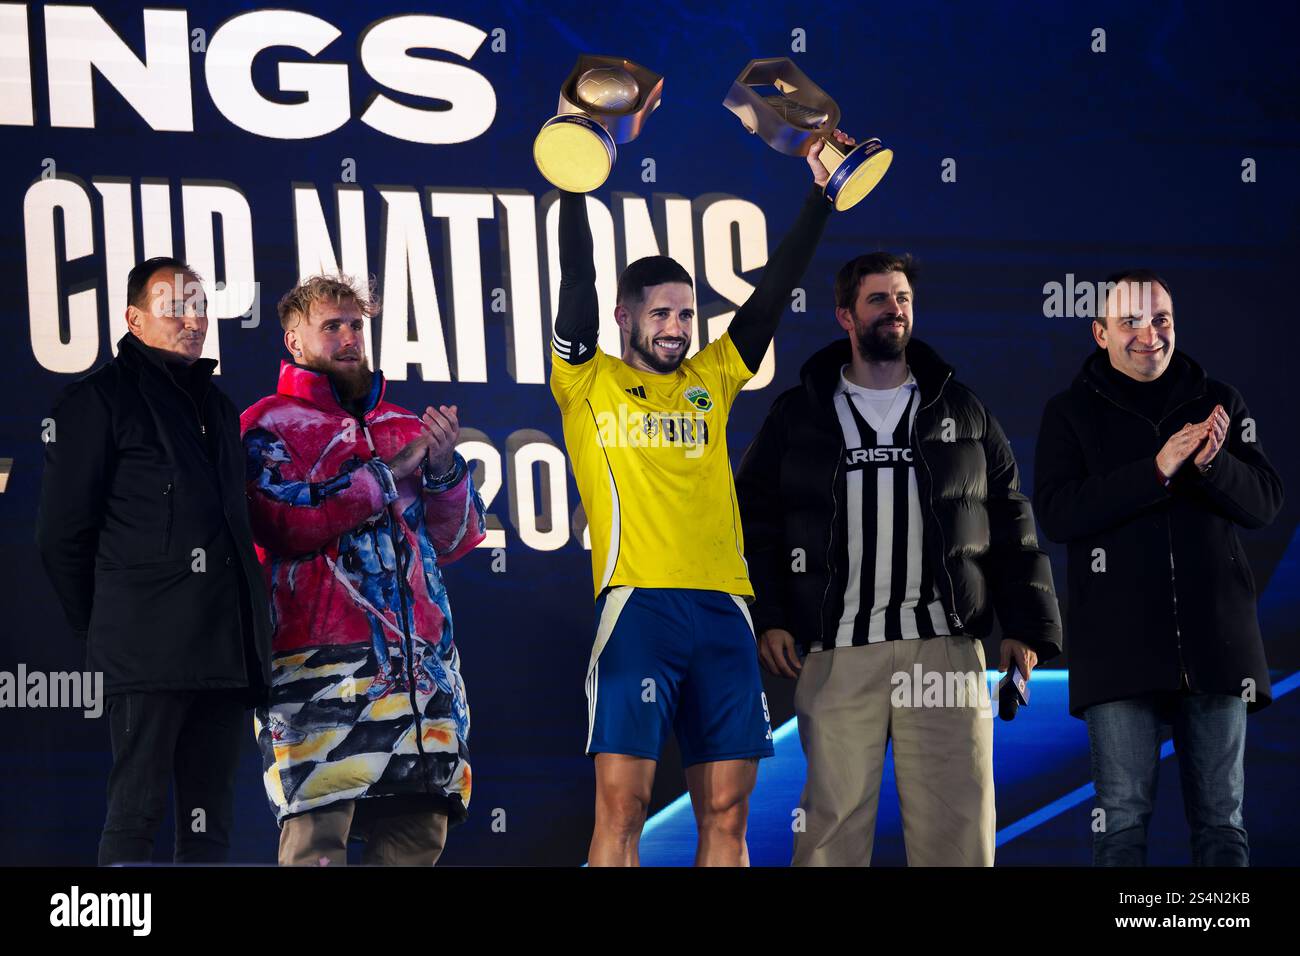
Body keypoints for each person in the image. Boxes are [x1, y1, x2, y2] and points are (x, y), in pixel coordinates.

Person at [551, 129, 862, 866]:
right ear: (624, 317)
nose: (676, 328)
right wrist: (574, 176)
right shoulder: (584, 380)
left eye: (686, 315)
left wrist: (823, 197)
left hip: (724, 609)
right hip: (639, 605)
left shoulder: (712, 377)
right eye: (659, 313)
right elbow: (575, 281)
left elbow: (773, 295)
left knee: (727, 814)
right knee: (622, 810)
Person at [736, 252, 1062, 865]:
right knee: (830, 834)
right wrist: (770, 613)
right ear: (844, 316)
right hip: (839, 648)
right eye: (878, 299)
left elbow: (1010, 518)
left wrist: (1026, 627)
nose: (895, 309)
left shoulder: (962, 408)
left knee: (957, 832)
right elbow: (754, 521)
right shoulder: (799, 412)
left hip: (943, 646)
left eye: (903, 297)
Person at [1034, 270, 1283, 866]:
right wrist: (1157, 469)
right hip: (1117, 653)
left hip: (1219, 649)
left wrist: (1213, 464)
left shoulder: (1219, 401)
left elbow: (1265, 505)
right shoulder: (1068, 413)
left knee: (1223, 827)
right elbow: (1060, 515)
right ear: (1100, 333)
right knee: (1121, 827)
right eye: (1131, 322)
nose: (1150, 334)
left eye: (1161, 319)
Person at [240, 273, 486, 866]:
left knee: (418, 837)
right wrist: (386, 475)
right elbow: (282, 522)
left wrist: (446, 471)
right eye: (332, 326)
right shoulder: (266, 424)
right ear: (294, 342)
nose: (349, 337)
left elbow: (454, 539)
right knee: (317, 844)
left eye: (356, 325)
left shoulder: (404, 425)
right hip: (316, 673)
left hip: (420, 676)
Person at [36, 256, 272, 864]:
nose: (191, 319)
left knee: (210, 826)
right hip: (143, 652)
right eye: (173, 306)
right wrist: (108, 629)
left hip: (224, 654)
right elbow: (62, 536)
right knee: (135, 814)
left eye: (199, 305)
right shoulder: (95, 402)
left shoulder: (218, 409)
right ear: (133, 319)